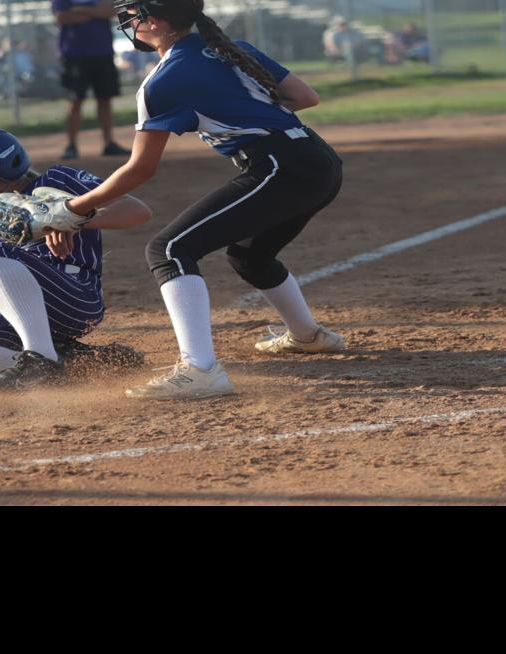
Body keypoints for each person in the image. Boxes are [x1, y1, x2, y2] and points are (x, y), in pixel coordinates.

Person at [43, 0, 345, 399]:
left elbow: (140, 170)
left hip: (279, 167)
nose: (129, 23)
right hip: (318, 160)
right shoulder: (229, 47)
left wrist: (72, 208)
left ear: (154, 22)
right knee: (249, 256)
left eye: (134, 15)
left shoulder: (162, 82)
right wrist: (243, 111)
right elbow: (305, 97)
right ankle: (308, 336)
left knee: (168, 249)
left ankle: (200, 370)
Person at [0, 128, 153, 391]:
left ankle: (43, 360)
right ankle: (70, 360)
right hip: (24, 315)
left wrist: (73, 221)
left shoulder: (56, 180)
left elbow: (138, 211)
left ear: (9, 161)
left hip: (73, 298)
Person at [52, 0, 128, 159]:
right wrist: (95, 12)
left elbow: (110, 11)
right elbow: (62, 18)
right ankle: (71, 145)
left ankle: (109, 143)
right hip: (74, 55)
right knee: (75, 101)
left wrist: (81, 10)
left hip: (103, 53)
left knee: (105, 99)